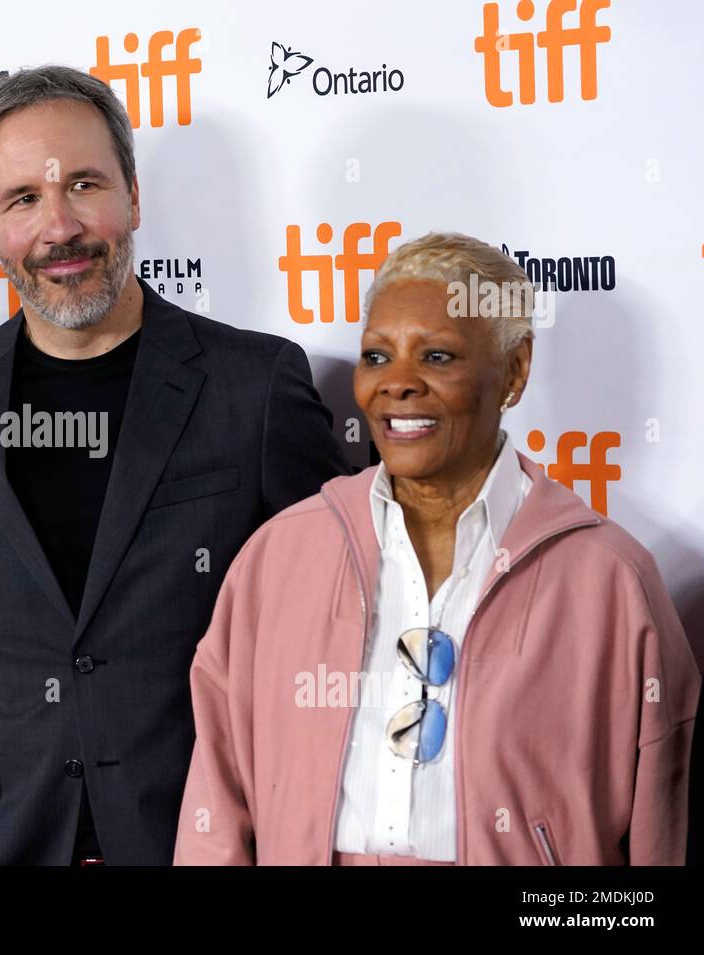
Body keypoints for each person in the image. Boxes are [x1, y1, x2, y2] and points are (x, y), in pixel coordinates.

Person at [0, 65, 349, 865]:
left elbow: (324, 645)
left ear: (134, 196)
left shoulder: (257, 387)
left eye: (85, 184)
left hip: (201, 834)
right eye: (23, 198)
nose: (59, 226)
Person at [174, 232, 699, 865]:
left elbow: (658, 841)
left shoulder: (611, 581)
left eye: (438, 357)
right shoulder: (278, 557)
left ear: (515, 371)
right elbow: (216, 809)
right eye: (376, 356)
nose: (397, 384)